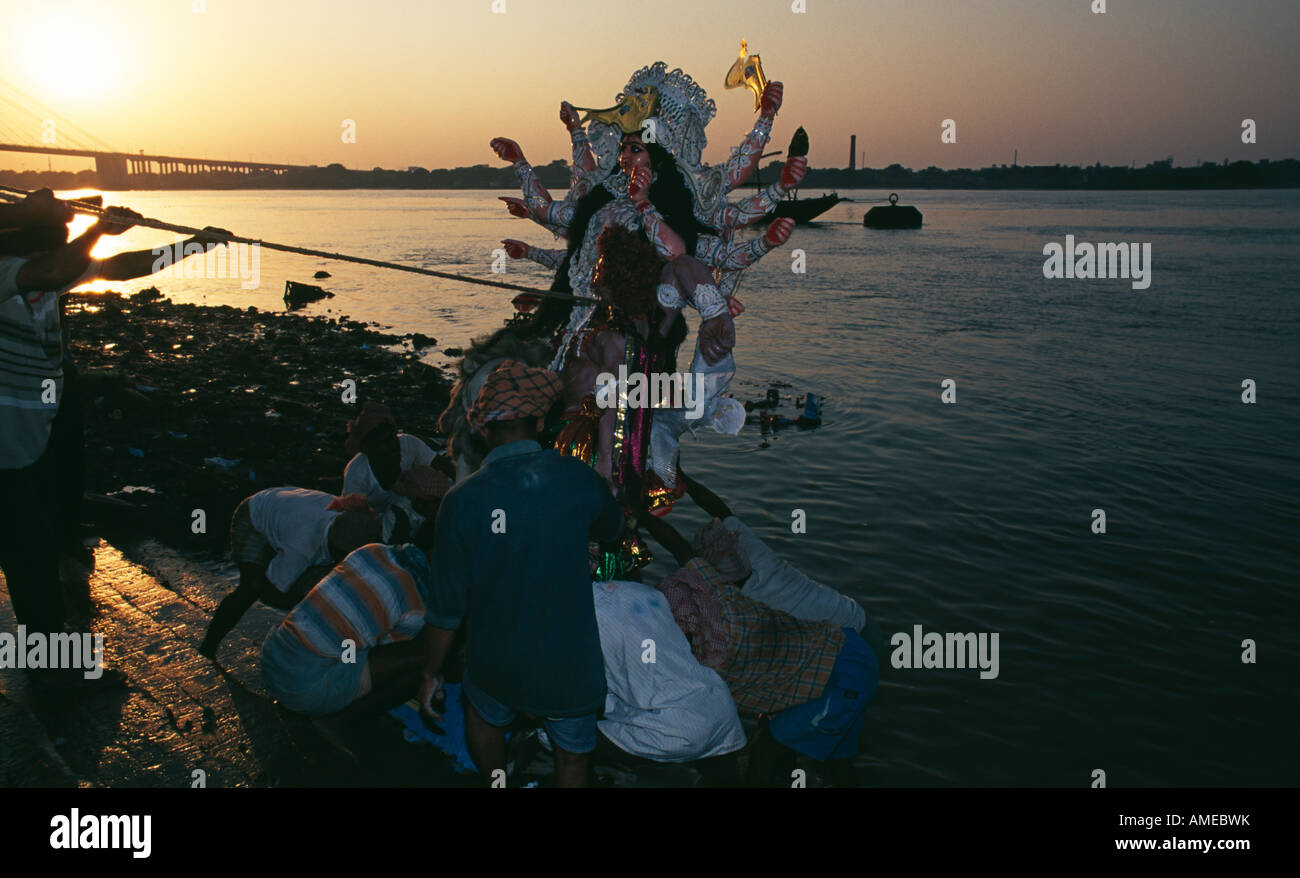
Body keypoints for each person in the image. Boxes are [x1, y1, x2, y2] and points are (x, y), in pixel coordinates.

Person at [420, 360, 624, 787]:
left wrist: (429, 673)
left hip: (497, 664)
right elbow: (613, 531)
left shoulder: (460, 501)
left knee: (482, 716)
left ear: (482, 429)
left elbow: (446, 611)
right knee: (572, 759)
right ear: (539, 421)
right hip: (569, 667)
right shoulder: (578, 477)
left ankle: (499, 780)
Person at [641, 511, 879, 787]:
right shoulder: (722, 596)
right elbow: (679, 548)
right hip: (842, 649)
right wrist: (642, 513)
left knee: (765, 749)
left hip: (842, 674)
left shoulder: (718, 654)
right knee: (834, 756)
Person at [261, 541, 436, 733]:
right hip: (301, 689)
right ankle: (342, 719)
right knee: (427, 659)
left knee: (352, 639)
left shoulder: (372, 550)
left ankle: (338, 687)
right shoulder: (418, 607)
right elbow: (381, 656)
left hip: (273, 655)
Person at [199, 488, 382, 658]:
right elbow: (272, 591)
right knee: (251, 588)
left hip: (288, 508)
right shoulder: (302, 547)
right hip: (256, 514)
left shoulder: (355, 521)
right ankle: (208, 647)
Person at [591, 577, 746, 771]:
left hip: (673, 729)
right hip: (719, 706)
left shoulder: (580, 618)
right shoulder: (644, 592)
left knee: (567, 740)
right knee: (722, 778)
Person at [341, 401, 447, 542]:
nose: (393, 445)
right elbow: (355, 519)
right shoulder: (356, 474)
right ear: (367, 449)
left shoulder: (409, 444)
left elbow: (445, 467)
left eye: (393, 437)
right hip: (378, 523)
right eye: (383, 442)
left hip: (412, 510)